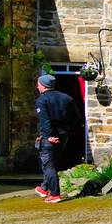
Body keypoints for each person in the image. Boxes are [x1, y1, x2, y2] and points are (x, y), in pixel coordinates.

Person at [35, 75, 73, 204]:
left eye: (38, 84)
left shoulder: (42, 100)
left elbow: (45, 120)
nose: (37, 86)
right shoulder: (66, 98)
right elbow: (76, 117)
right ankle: (44, 188)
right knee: (52, 163)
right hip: (63, 136)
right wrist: (66, 130)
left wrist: (49, 135)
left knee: (49, 165)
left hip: (50, 137)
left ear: (43, 86)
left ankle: (55, 194)